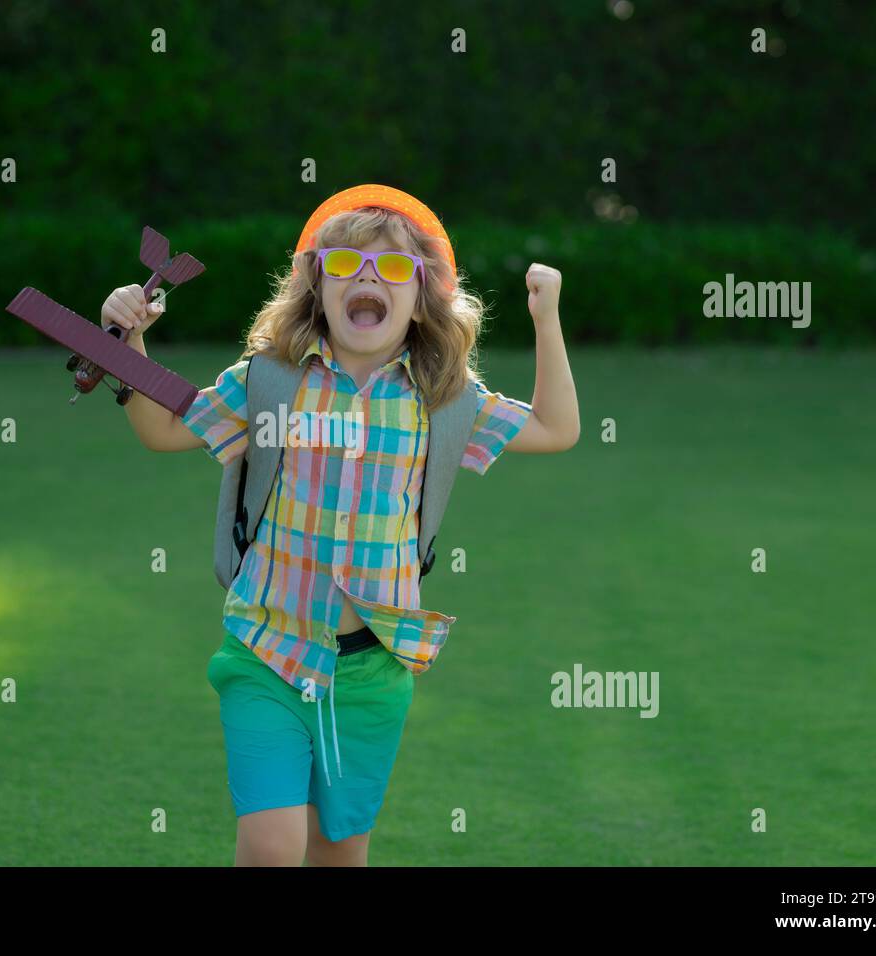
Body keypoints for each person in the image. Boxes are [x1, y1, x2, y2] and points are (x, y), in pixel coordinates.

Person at [103, 185, 579, 866]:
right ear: (315, 285)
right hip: (266, 653)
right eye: (345, 263)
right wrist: (131, 339)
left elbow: (556, 429)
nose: (365, 278)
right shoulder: (269, 380)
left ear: (422, 297)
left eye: (390, 269)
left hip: (372, 673)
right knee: (272, 845)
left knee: (338, 851)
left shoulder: (443, 398)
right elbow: (162, 428)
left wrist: (546, 318)